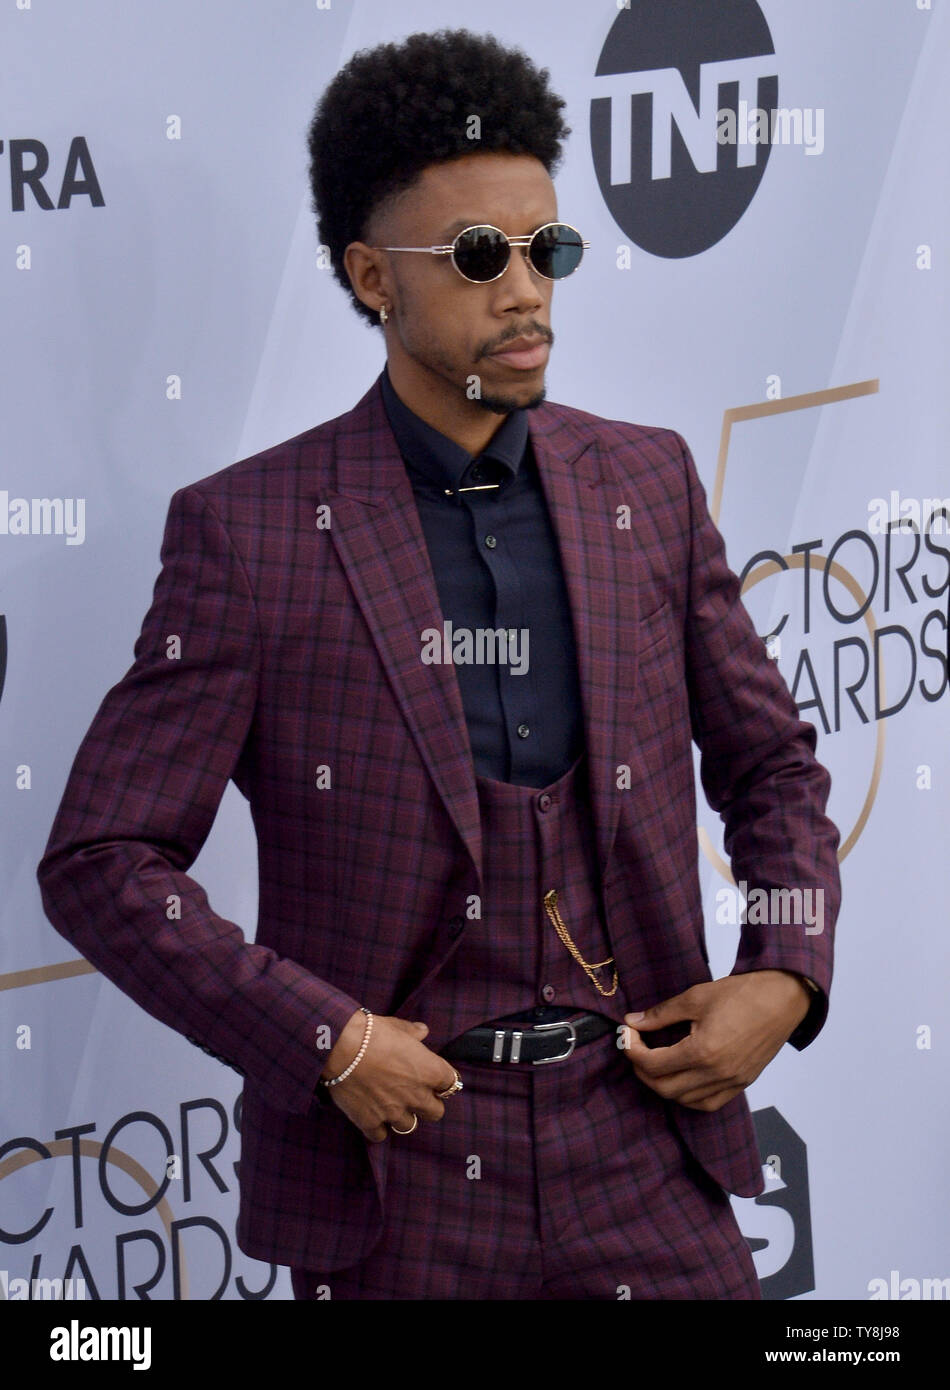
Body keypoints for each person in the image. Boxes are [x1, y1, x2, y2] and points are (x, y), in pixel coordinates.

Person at [37, 29, 840, 1300]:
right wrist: (326, 1040)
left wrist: (786, 973)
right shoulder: (249, 534)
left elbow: (774, 770)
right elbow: (101, 863)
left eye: (546, 249)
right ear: (372, 277)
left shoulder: (647, 482)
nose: (525, 291)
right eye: (476, 257)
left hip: (643, 1145)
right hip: (398, 1173)